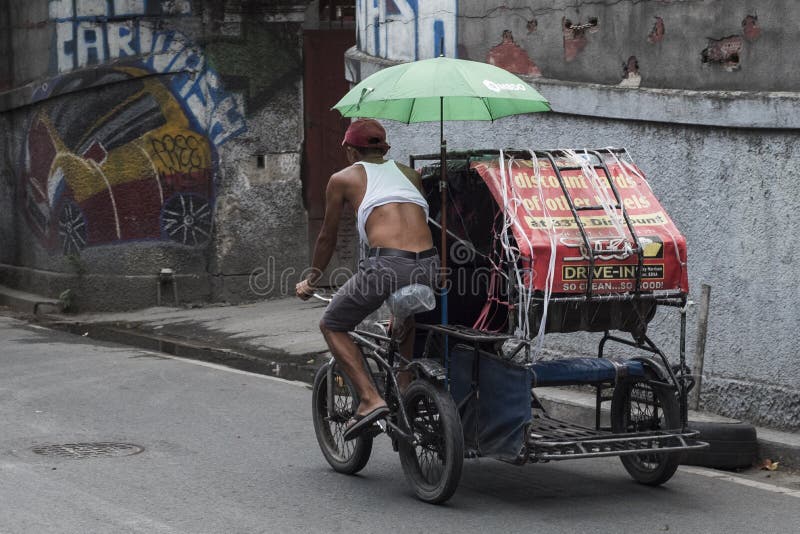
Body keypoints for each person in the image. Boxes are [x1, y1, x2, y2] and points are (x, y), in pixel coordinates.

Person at [296, 118, 438, 440]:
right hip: (429, 265)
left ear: (349, 150)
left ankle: (370, 399)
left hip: (387, 265)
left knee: (332, 323)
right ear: (385, 149)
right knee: (403, 317)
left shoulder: (342, 178)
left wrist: (312, 280)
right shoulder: (411, 174)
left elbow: (327, 238)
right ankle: (404, 394)